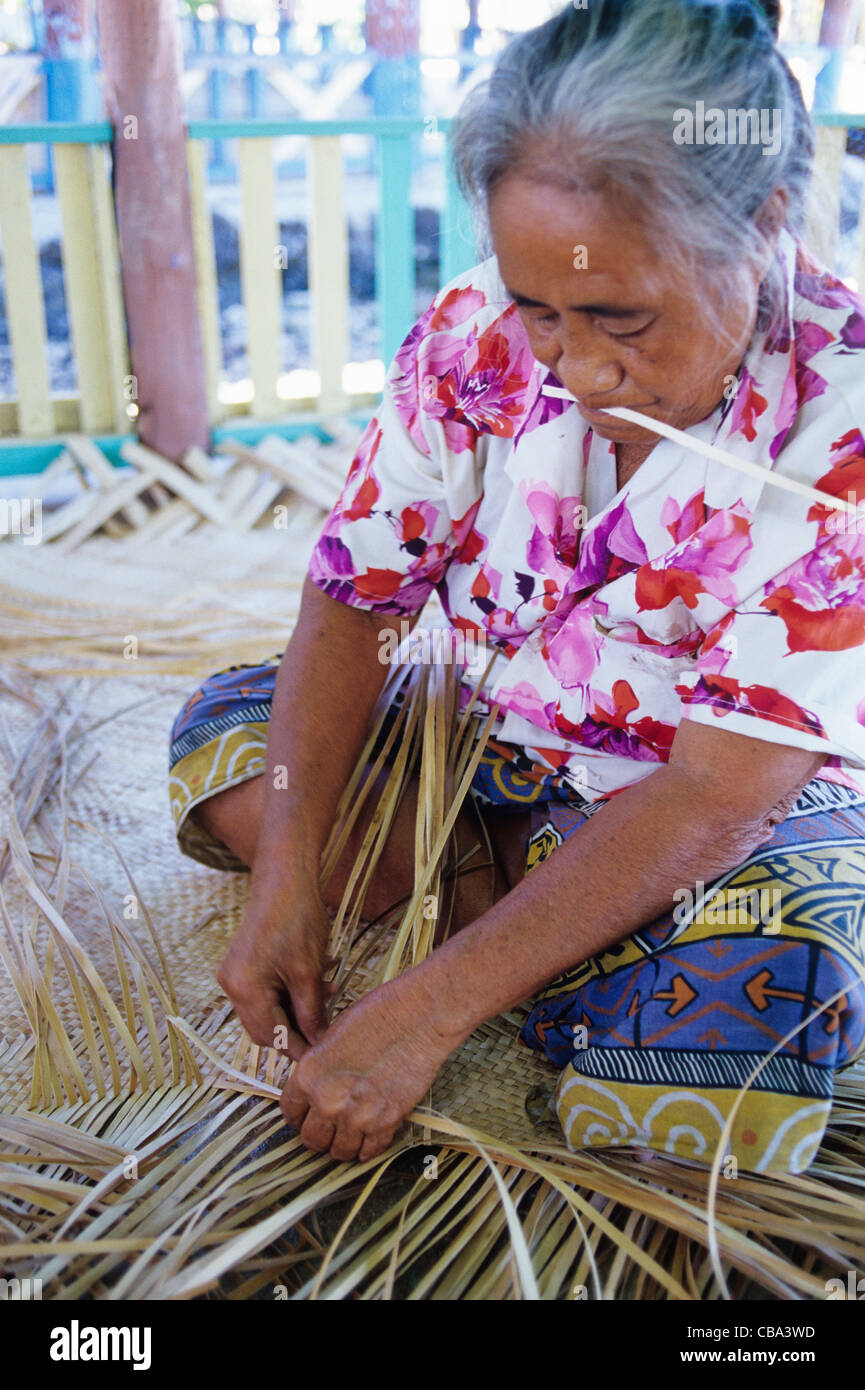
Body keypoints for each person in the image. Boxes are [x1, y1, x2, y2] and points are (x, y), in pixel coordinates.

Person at [168, 0, 865, 1174]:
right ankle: (550, 930)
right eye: (540, 308)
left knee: (783, 969)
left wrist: (422, 1013)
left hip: (726, 814)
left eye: (620, 317)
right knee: (229, 743)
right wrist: (284, 887)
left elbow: (710, 795)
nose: (576, 366)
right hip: (495, 751)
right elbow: (353, 604)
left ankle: (501, 924)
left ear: (762, 223)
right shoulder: (474, 330)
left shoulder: (840, 428)